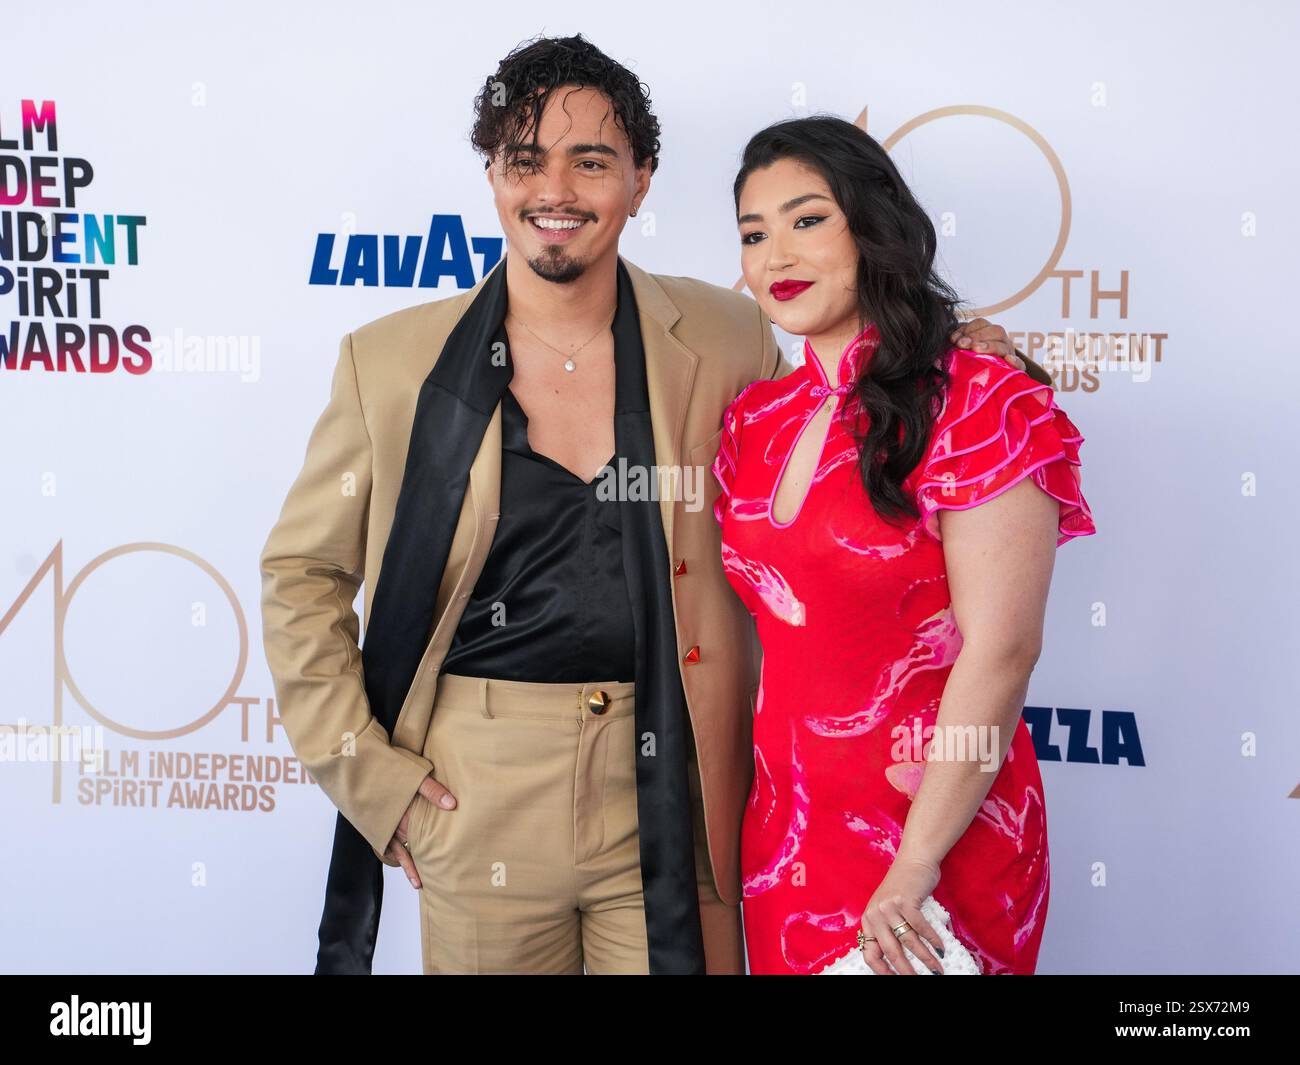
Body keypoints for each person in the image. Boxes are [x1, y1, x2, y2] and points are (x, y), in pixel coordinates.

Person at [258, 34, 1044, 975]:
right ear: (493, 176)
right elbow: (302, 576)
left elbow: (858, 388)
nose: (555, 189)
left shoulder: (728, 331)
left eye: (591, 161)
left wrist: (961, 345)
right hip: (476, 789)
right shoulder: (386, 360)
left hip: (682, 774)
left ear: (640, 180)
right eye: (524, 160)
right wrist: (371, 780)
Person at [714, 116, 1096, 975]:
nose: (777, 254)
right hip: (786, 834)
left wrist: (916, 860)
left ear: (872, 224)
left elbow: (1003, 650)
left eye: (807, 219)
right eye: (753, 233)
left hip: (934, 840)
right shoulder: (753, 420)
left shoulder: (981, 400)